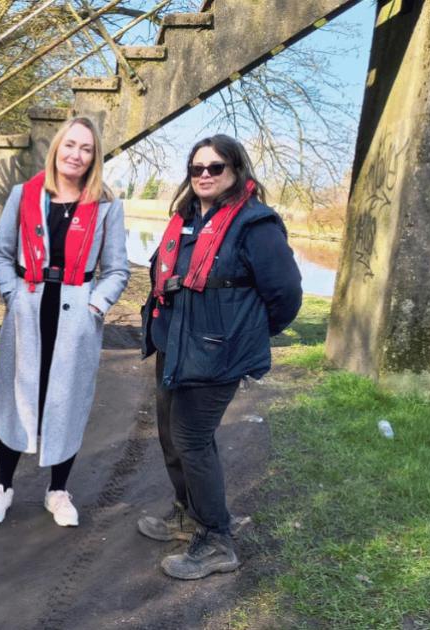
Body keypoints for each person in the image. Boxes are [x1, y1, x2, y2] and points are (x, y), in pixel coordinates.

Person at [136, 134, 302, 580]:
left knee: (192, 440)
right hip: (173, 346)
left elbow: (285, 294)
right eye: (197, 168)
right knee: (172, 437)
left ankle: (216, 540)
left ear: (236, 171)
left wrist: (246, 334)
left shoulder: (255, 224)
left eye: (216, 167)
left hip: (216, 355)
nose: (205, 175)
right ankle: (187, 513)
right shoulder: (185, 219)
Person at [0, 117, 129, 526]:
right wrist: (11, 294)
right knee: (16, 397)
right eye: (70, 145)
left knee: (66, 400)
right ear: (56, 149)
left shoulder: (106, 206)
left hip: (75, 315)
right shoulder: (24, 195)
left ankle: (58, 490)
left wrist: (95, 306)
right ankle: (3, 486)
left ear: (94, 156)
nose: (76, 154)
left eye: (85, 148)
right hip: (28, 309)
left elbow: (117, 268)